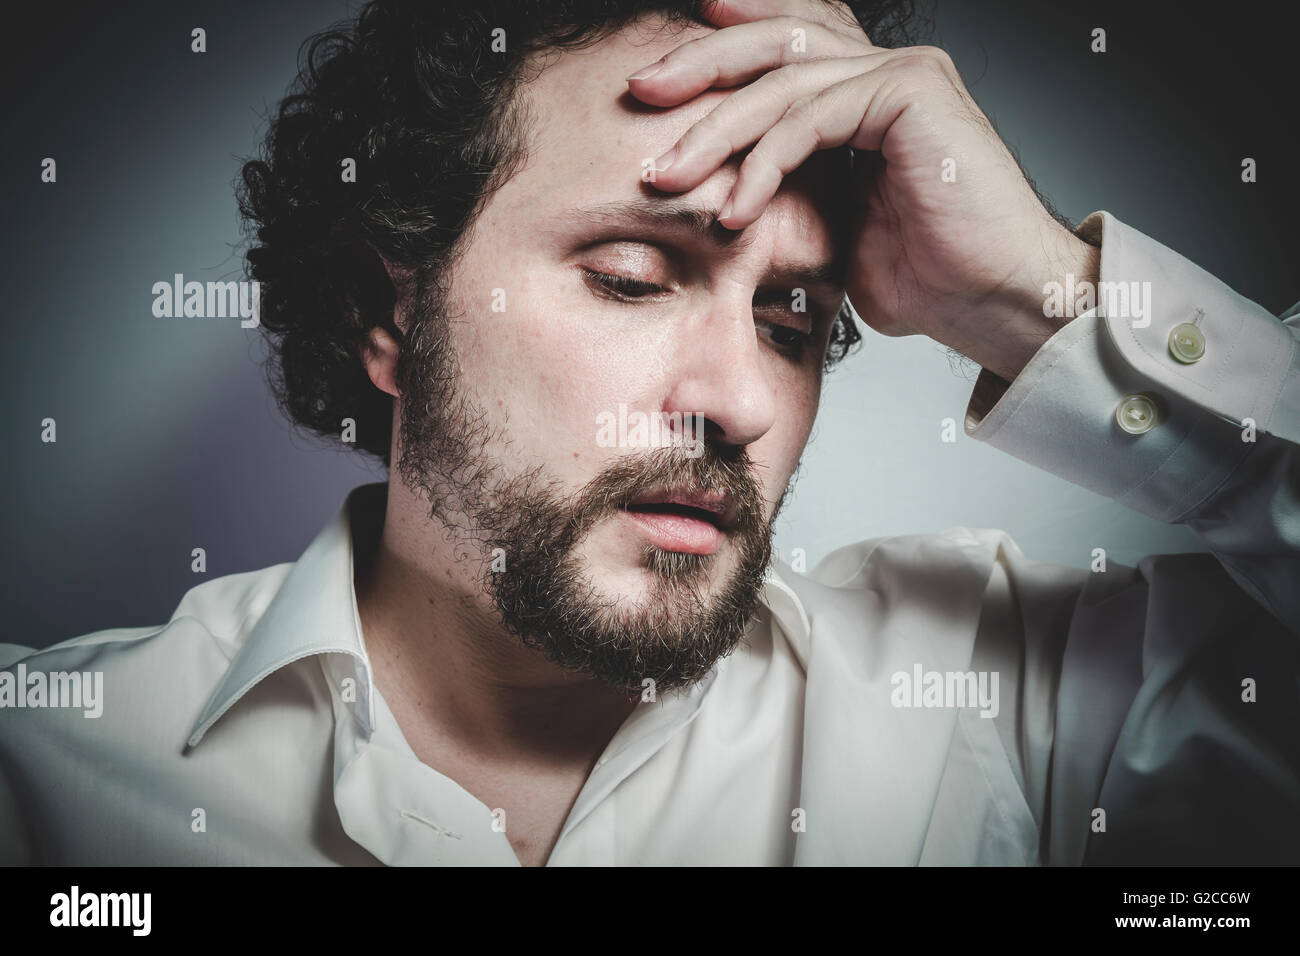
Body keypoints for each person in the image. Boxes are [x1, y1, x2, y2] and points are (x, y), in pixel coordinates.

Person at [2, 0, 1297, 866]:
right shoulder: (52, 779)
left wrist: (1039, 295)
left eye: (793, 317)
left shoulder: (1015, 712)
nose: (739, 400)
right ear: (380, 315)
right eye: (631, 276)